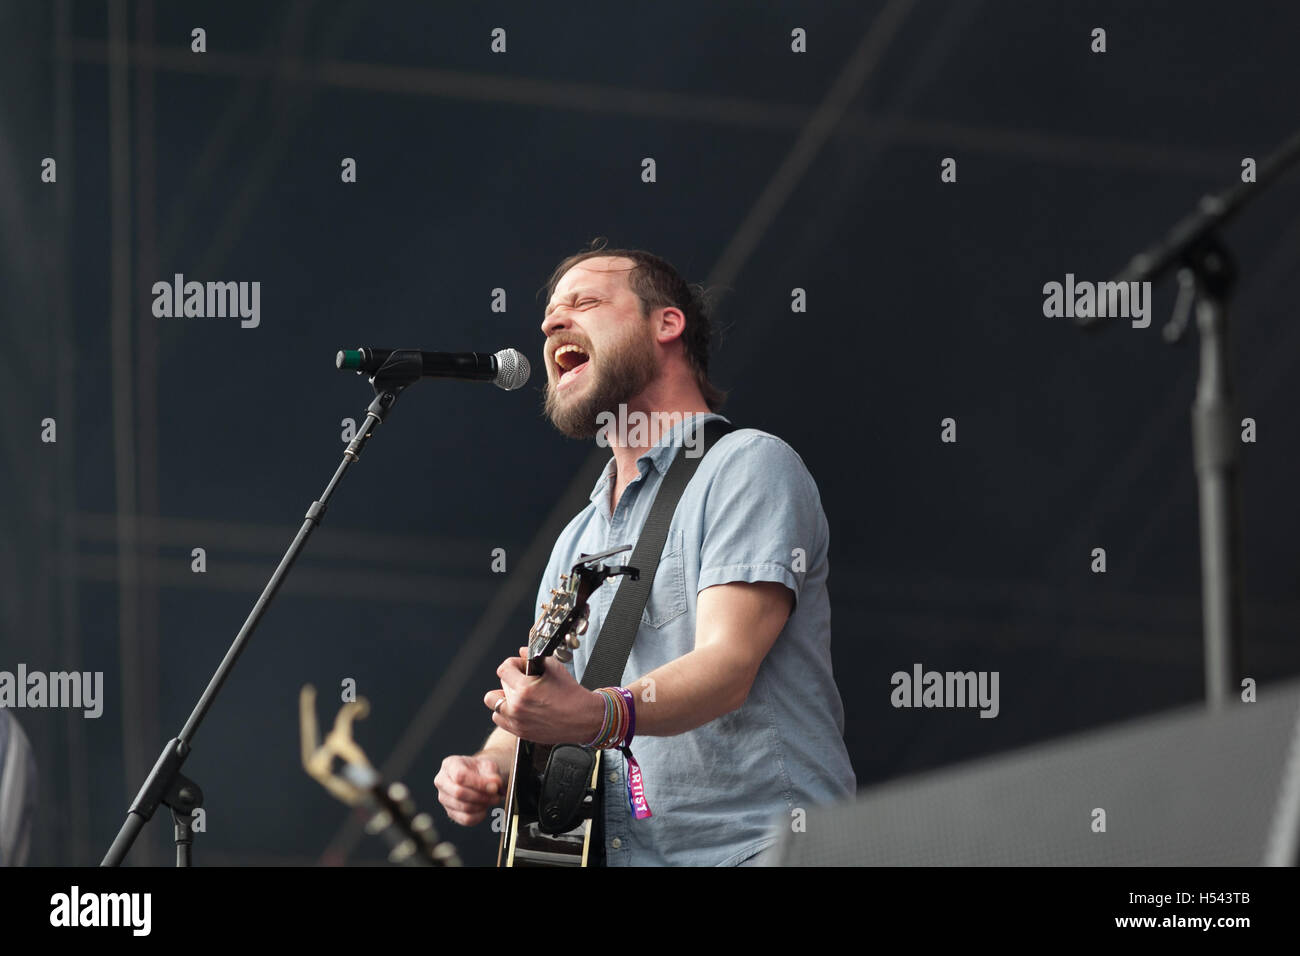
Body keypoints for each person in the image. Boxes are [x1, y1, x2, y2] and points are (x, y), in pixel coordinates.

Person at [435, 244, 855, 865]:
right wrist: (487, 762)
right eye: (548, 315)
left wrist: (597, 715)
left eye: (584, 302)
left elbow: (728, 664)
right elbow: (557, 698)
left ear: (667, 324)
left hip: (757, 849)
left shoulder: (746, 465)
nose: (552, 324)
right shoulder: (578, 537)